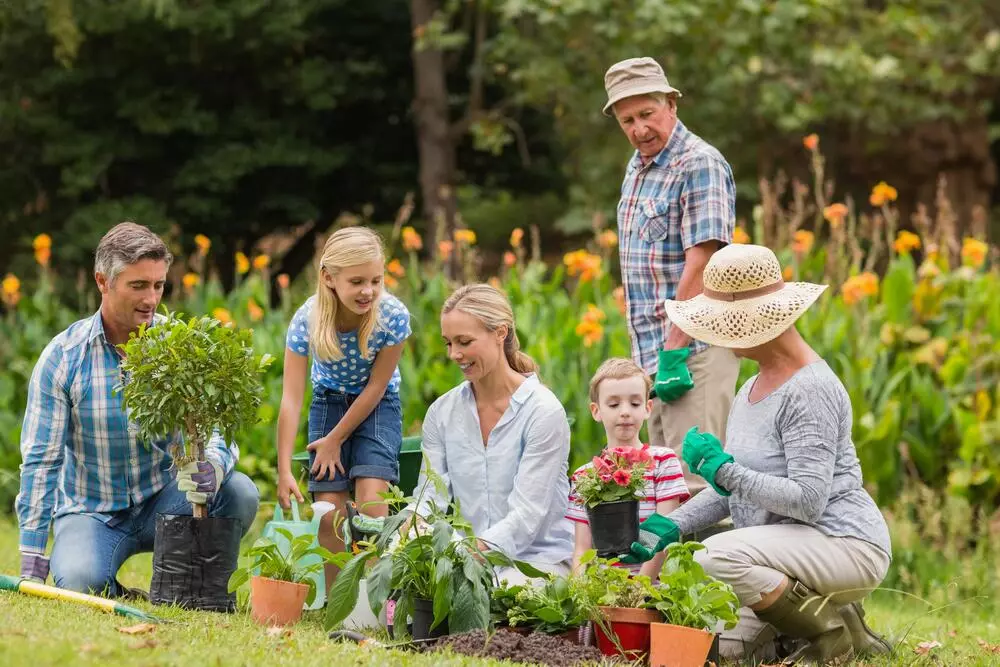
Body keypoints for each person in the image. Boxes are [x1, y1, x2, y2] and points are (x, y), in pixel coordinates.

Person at [621, 244, 893, 663]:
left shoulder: (810, 390)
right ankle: (836, 621)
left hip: (843, 542)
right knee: (728, 650)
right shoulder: (751, 389)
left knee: (713, 556)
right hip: (786, 552)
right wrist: (672, 526)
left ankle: (832, 633)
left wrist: (725, 470)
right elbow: (734, 490)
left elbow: (808, 500)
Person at [15, 222, 259, 596]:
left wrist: (213, 462)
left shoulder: (180, 347)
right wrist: (32, 560)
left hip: (168, 499)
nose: (151, 299)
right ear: (102, 281)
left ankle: (189, 584)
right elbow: (40, 462)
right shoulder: (63, 358)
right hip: (91, 511)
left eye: (159, 285)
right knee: (81, 581)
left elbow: (213, 427)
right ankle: (118, 589)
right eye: (138, 285)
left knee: (239, 493)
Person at [603, 56, 741, 495]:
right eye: (627, 120)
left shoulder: (698, 164)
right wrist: (648, 365)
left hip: (693, 353)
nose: (639, 129)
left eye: (647, 114)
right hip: (651, 358)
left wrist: (674, 352)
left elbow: (702, 261)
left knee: (698, 483)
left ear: (672, 105)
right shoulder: (637, 168)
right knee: (666, 489)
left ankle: (721, 566)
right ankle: (667, 568)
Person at [275, 226, 411, 588]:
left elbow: (377, 387)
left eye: (376, 280)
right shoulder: (307, 320)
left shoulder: (392, 316)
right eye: (357, 281)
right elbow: (291, 398)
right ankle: (340, 600)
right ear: (329, 278)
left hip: (378, 405)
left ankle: (372, 598)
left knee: (372, 500)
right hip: (328, 402)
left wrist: (336, 439)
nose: (368, 291)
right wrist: (284, 468)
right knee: (328, 513)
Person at [411, 283, 574, 584]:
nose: (454, 354)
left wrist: (468, 553)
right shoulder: (442, 413)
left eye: (464, 341)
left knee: (506, 594)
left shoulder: (542, 411)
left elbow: (527, 516)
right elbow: (430, 496)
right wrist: (405, 532)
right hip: (467, 560)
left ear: (500, 333)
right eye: (448, 343)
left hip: (535, 562)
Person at [566, 358, 689, 579]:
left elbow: (664, 533)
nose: (625, 412)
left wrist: (641, 588)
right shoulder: (584, 476)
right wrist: (579, 595)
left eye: (634, 404)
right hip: (605, 588)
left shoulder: (663, 461)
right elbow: (582, 550)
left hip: (656, 589)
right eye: (613, 404)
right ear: (596, 411)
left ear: (647, 408)